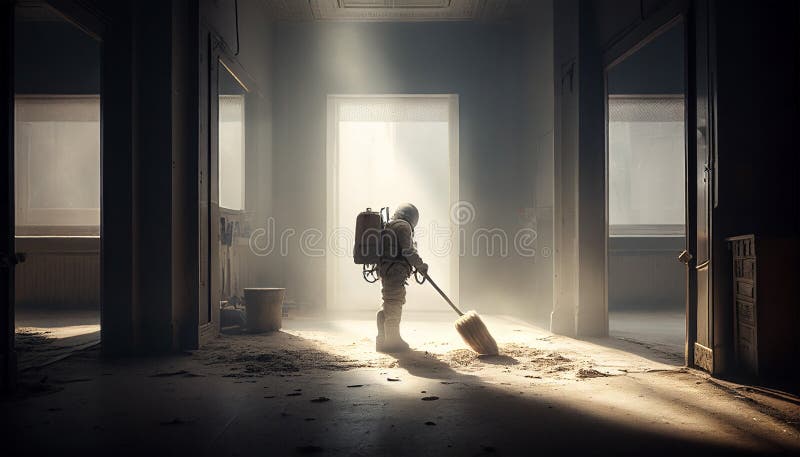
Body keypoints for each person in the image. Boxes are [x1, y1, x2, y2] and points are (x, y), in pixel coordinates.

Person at [375, 203, 428, 353]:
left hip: (385, 269)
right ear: (412, 218)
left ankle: (382, 340)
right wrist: (421, 265)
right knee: (395, 302)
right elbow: (408, 251)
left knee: (388, 301)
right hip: (395, 271)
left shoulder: (389, 225)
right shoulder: (403, 227)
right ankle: (393, 341)